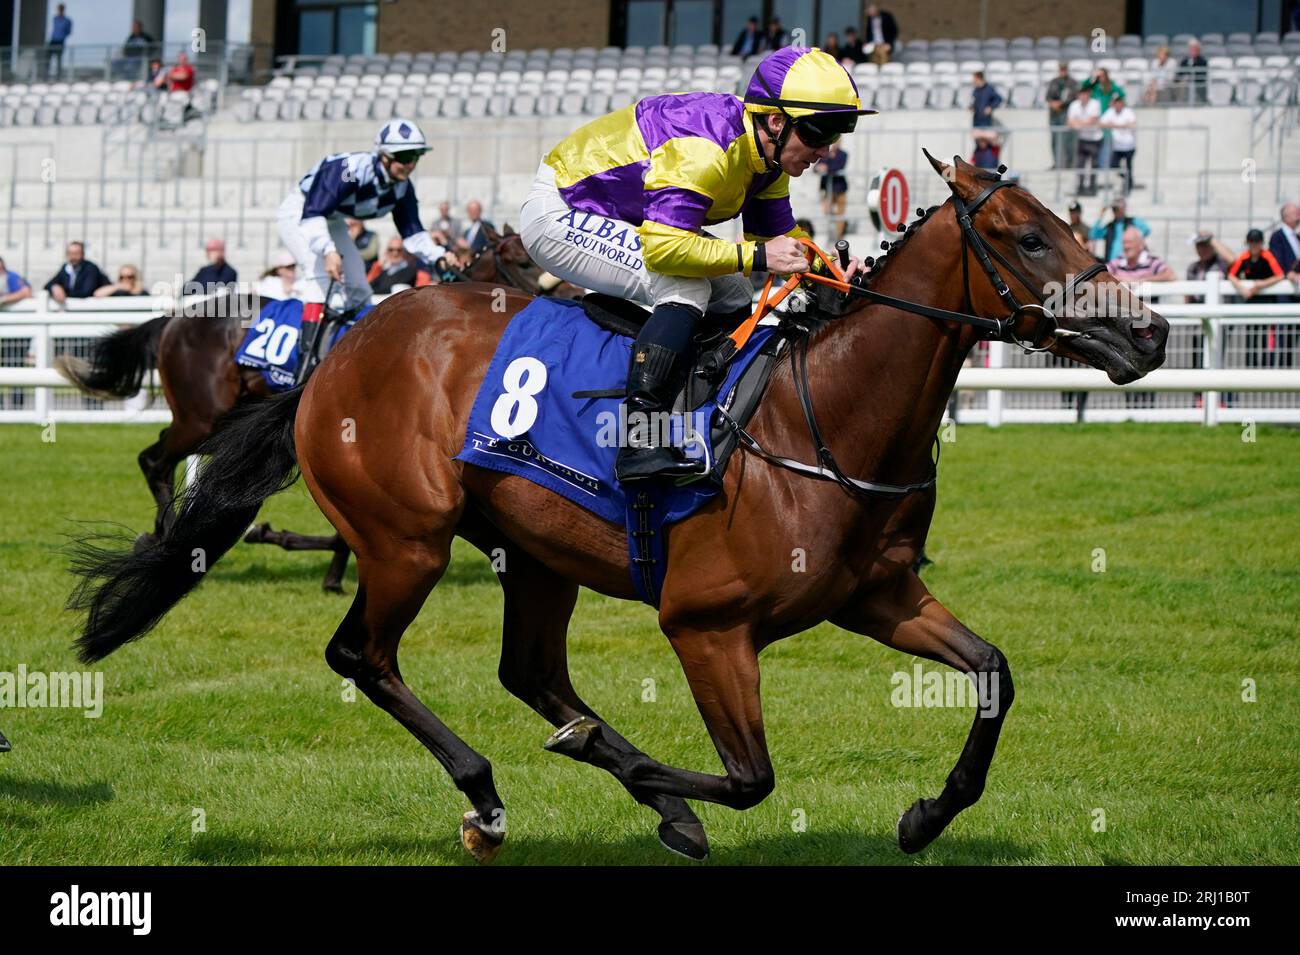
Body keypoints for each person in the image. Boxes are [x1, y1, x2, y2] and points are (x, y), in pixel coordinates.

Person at [518, 46, 872, 481]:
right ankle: (638, 437)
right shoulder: (706, 151)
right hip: (562, 210)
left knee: (735, 293)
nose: (825, 150)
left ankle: (704, 408)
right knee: (685, 288)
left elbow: (778, 239)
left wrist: (832, 269)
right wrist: (759, 257)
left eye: (836, 135)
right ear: (776, 121)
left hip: (626, 216)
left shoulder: (769, 157)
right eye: (818, 134)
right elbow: (665, 249)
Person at [277, 119, 447, 383]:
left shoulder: (402, 186)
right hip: (302, 213)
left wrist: (439, 255)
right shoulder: (347, 171)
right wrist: (328, 250)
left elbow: (413, 234)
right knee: (320, 280)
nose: (411, 163)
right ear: (384, 156)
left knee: (359, 289)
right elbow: (312, 215)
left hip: (330, 220)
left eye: (416, 155)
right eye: (404, 156)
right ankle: (306, 365)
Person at [1227, 228, 1285, 300]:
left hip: (1268, 297)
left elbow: (1280, 275)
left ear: (1261, 243)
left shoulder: (1268, 256)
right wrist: (1242, 289)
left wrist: (1263, 283)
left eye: (1257, 242)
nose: (1254, 245)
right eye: (1251, 242)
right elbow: (1231, 275)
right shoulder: (1243, 257)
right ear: (1247, 243)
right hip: (1251, 296)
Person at [44, 242, 111, 302]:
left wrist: (64, 294)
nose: (73, 257)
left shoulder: (90, 268)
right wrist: (54, 287)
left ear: (82, 254)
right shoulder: (66, 268)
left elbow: (86, 292)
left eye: (76, 253)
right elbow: (47, 286)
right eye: (70, 253)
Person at [1089, 196, 1149, 262]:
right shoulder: (1109, 227)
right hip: (1112, 265)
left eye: (1117, 208)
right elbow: (1093, 235)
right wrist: (1101, 215)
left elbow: (1146, 229)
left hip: (1129, 263)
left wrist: (1134, 237)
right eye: (1114, 209)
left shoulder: (1132, 222)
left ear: (1123, 208)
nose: (1115, 211)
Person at [1100, 89, 1137, 194]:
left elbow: (1133, 124)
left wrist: (1118, 125)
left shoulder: (1128, 112)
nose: (1117, 104)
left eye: (1119, 102)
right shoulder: (1110, 112)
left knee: (1129, 166)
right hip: (1117, 146)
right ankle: (1126, 178)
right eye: (1115, 102)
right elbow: (1101, 123)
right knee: (1114, 165)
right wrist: (1114, 125)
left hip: (1129, 145)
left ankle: (1129, 185)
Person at [1107, 227, 1175, 282]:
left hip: (1145, 299)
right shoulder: (1119, 260)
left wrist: (1143, 280)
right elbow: (1100, 274)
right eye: (1124, 243)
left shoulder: (1151, 261)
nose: (1126, 246)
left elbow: (1171, 275)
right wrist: (1122, 279)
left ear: (1141, 245)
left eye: (1130, 242)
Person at [1068, 86, 1102, 195]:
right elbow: (1069, 122)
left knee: (1094, 165)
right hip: (1082, 139)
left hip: (1094, 139)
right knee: (1080, 164)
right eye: (1081, 94)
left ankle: (1092, 187)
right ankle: (1081, 186)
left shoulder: (1095, 104)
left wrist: (1078, 124)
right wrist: (1082, 124)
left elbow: (1092, 120)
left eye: (1085, 93)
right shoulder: (1074, 105)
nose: (1083, 96)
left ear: (1089, 94)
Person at [367, 237, 433, 294]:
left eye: (399, 250)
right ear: (386, 252)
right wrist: (379, 265)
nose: (395, 253)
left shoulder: (413, 271)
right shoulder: (384, 272)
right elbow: (368, 288)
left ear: (405, 252)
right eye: (391, 250)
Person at [1046, 63, 1078, 170]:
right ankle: (1056, 163)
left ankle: (1069, 163)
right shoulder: (1053, 82)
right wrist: (1053, 104)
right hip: (1054, 115)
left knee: (1068, 140)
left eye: (1064, 69)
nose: (1063, 71)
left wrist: (1060, 104)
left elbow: (1073, 97)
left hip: (1066, 113)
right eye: (1061, 69)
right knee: (1054, 140)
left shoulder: (1072, 82)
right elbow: (1048, 96)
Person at [1185, 231, 1233, 304]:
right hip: (1197, 311)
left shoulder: (1221, 264)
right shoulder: (1193, 267)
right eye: (1199, 246)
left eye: (1206, 246)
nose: (1203, 250)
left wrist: (1211, 239)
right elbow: (1188, 293)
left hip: (1220, 310)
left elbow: (1233, 260)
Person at [815, 141, 849, 241]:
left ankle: (839, 237)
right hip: (828, 189)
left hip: (840, 189)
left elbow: (839, 166)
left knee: (840, 213)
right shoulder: (825, 153)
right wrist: (820, 167)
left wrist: (826, 167)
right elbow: (816, 167)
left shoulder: (843, 154)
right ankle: (839, 227)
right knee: (827, 210)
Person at [1175, 39, 1207, 105]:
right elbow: (1179, 75)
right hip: (1186, 84)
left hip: (1198, 84)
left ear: (1198, 50)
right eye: (1192, 49)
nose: (1193, 50)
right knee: (1182, 84)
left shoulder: (1202, 61)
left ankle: (1199, 103)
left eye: (1195, 49)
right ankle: (1181, 104)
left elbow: (1203, 75)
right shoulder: (1185, 61)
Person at [47, 4, 72, 81]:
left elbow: (68, 31)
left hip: (60, 41)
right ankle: (46, 76)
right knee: (48, 59)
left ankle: (58, 77)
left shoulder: (67, 21)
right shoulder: (55, 18)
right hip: (53, 40)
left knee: (58, 59)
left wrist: (62, 35)